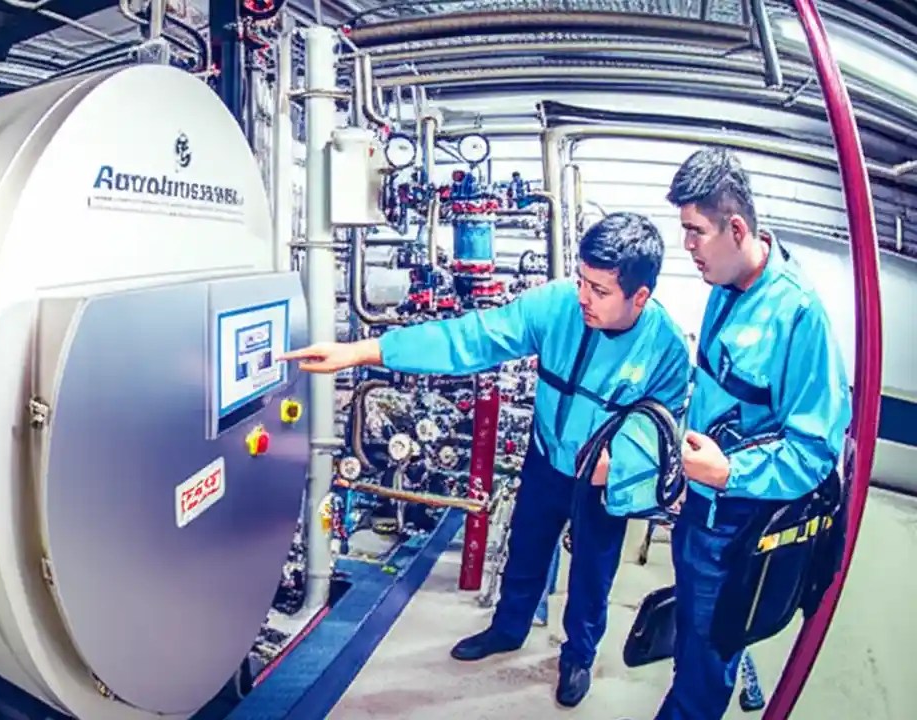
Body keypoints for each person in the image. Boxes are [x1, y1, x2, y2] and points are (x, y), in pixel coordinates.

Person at [280, 211, 690, 708]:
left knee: (592, 572)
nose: (583, 296)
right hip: (545, 457)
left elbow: (663, 421)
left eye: (600, 290)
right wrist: (364, 351)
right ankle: (508, 628)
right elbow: (470, 339)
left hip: (601, 479)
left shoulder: (665, 346)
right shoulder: (557, 305)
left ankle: (578, 656)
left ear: (639, 297)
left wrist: (619, 466)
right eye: (582, 281)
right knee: (526, 549)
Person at [654, 146, 851, 720]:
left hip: (737, 528)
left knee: (708, 663)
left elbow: (815, 451)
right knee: (692, 643)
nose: (686, 246)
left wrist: (729, 472)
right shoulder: (723, 285)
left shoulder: (799, 315)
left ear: (735, 227)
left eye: (694, 232)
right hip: (701, 510)